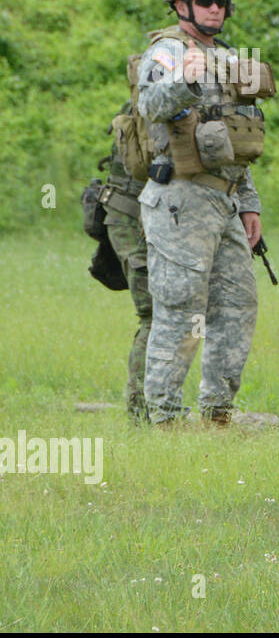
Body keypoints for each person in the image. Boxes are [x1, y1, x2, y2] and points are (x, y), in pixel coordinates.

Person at [135, 0, 274, 426]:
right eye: (204, 0)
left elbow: (236, 136)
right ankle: (165, 421)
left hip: (225, 199)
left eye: (221, 1)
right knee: (179, 312)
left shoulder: (230, 58)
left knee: (237, 305)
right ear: (180, 5)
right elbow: (150, 104)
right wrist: (187, 78)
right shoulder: (168, 53)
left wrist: (248, 204)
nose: (215, 8)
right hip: (180, 200)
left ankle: (217, 415)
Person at [101, 121, 152, 424]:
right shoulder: (152, 107)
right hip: (131, 219)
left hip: (137, 216)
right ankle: (140, 411)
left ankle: (154, 406)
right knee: (154, 314)